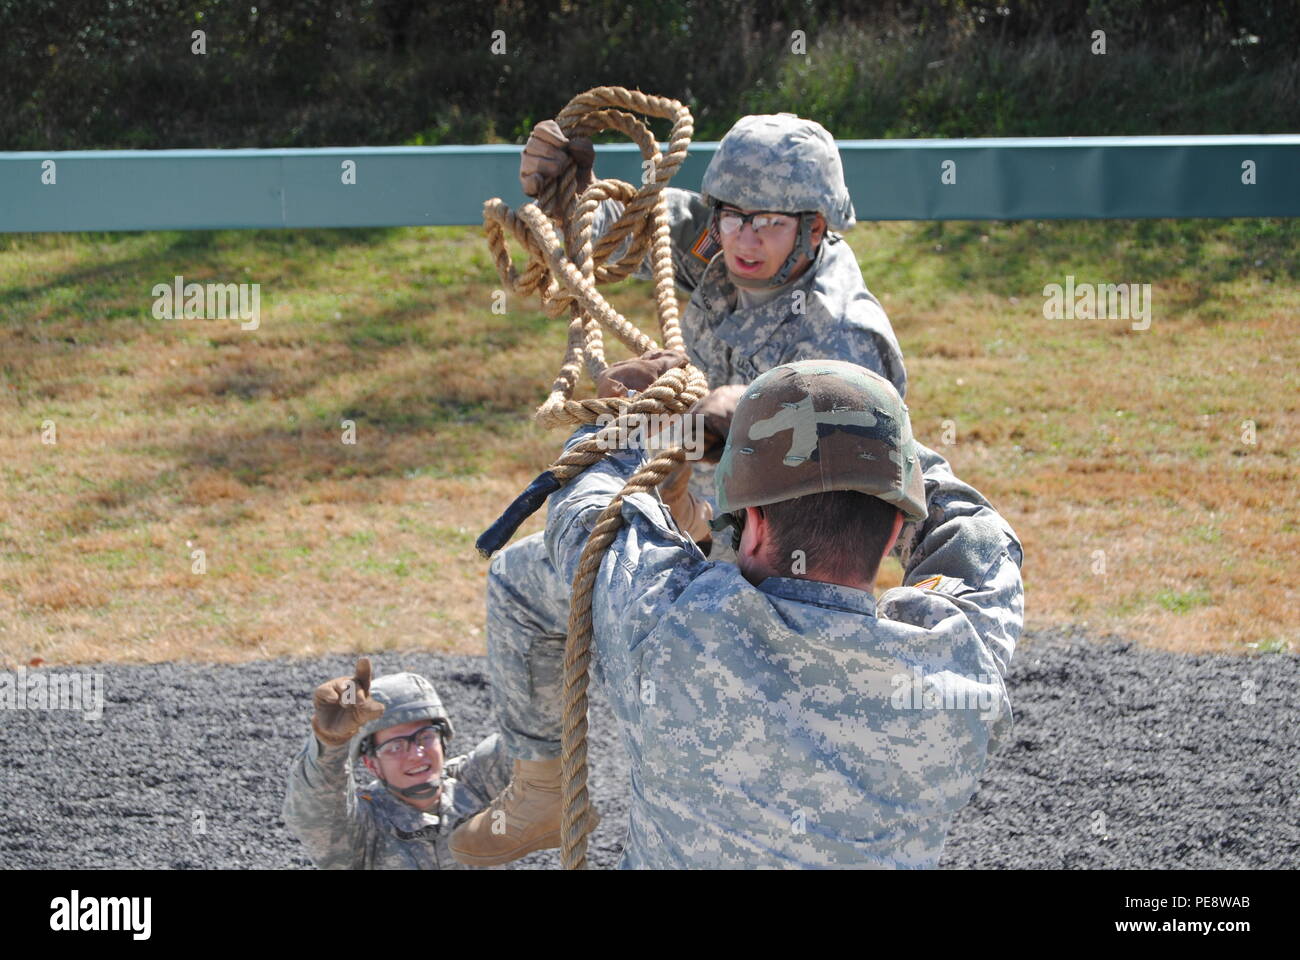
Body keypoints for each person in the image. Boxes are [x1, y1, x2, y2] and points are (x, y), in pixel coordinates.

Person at [448, 112, 909, 865]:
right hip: (693, 515)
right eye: (731, 216)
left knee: (704, 761)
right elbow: (627, 229)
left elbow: (838, 509)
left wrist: (705, 418)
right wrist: (568, 185)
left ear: (818, 227)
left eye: (766, 223)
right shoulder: (724, 240)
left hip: (772, 578)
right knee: (520, 583)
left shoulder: (841, 339)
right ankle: (540, 787)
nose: (741, 240)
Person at [529, 360, 1022, 867]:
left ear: (756, 524)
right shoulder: (958, 673)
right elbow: (979, 535)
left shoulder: (669, 628)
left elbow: (586, 515)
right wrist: (856, 433)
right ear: (896, 531)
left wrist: (622, 419)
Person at [283, 658, 513, 869]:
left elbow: (531, 743)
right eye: (395, 746)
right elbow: (314, 812)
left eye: (426, 736)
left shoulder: (478, 786)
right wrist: (330, 744)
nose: (416, 753)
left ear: (443, 741)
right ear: (372, 764)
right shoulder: (365, 827)